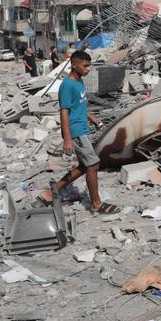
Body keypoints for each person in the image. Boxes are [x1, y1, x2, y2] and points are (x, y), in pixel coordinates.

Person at [36, 50, 120, 214]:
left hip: (83, 128)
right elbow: (64, 112)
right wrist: (67, 138)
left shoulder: (80, 82)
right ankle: (96, 204)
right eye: (85, 65)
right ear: (74, 65)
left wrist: (92, 118)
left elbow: (79, 106)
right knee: (93, 164)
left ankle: (48, 194)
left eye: (90, 65)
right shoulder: (67, 85)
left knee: (84, 166)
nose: (88, 69)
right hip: (76, 131)